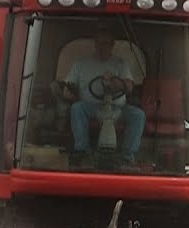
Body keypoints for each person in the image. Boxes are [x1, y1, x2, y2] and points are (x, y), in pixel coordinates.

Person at [60, 25, 146, 166]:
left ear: (112, 45)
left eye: (106, 44)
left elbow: (129, 87)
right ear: (95, 43)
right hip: (91, 107)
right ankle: (82, 152)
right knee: (76, 108)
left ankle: (127, 156)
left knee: (138, 115)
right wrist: (70, 92)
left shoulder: (120, 64)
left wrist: (115, 83)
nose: (102, 47)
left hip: (117, 108)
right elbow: (67, 88)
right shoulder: (80, 64)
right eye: (99, 43)